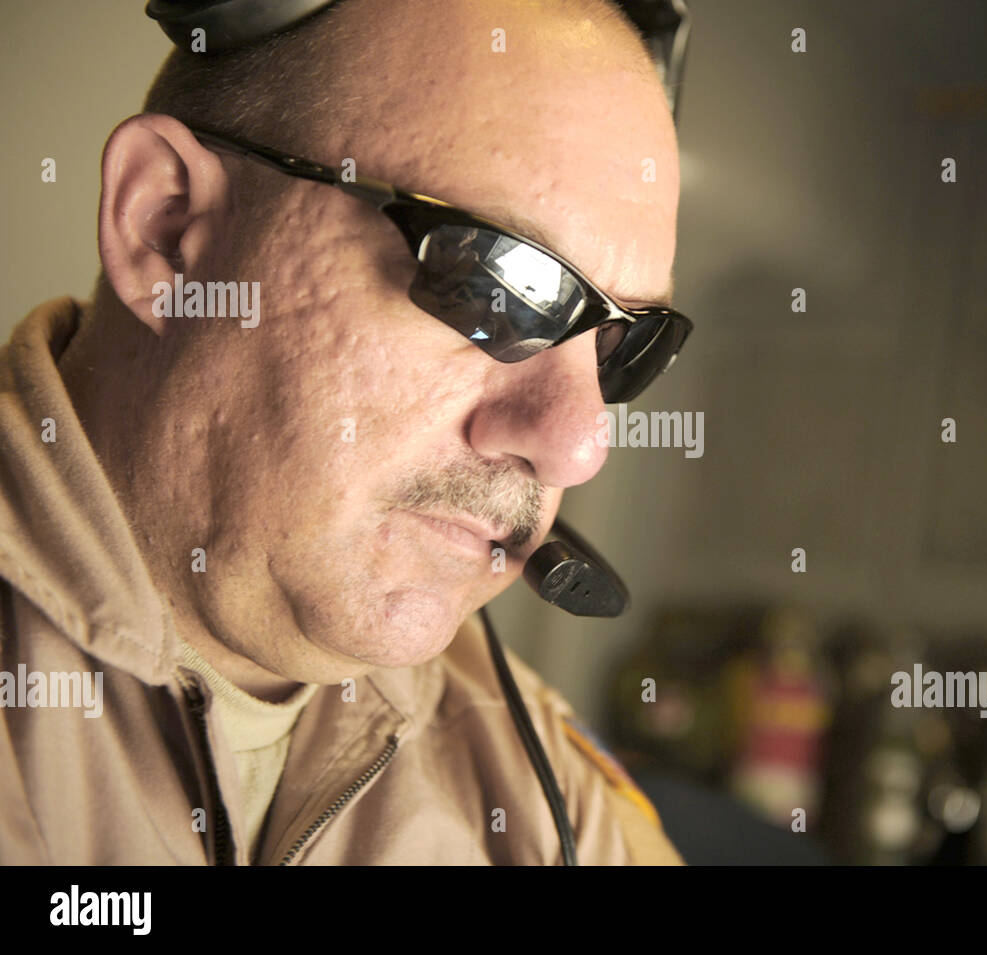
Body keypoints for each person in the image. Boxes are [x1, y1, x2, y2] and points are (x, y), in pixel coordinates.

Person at [0, 0, 686, 865]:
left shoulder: (541, 791)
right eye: (496, 285)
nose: (578, 445)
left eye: (627, 345)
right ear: (166, 229)